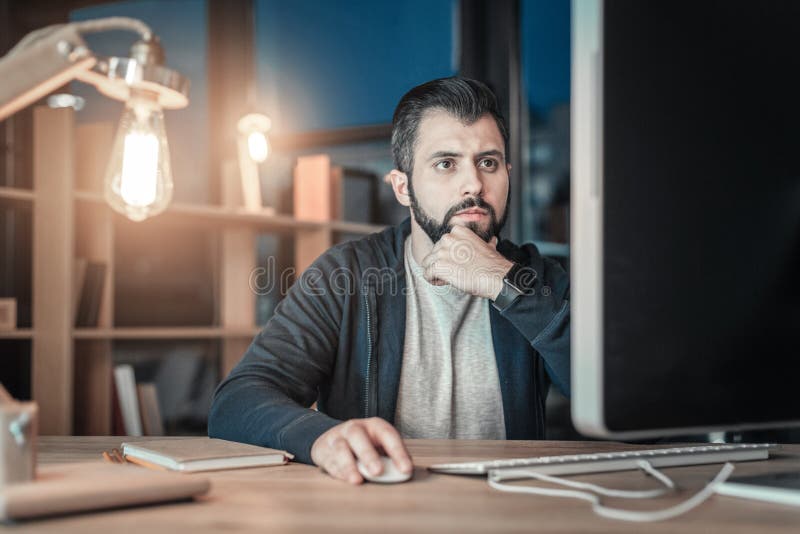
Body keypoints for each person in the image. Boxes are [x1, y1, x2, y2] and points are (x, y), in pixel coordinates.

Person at [208, 77, 570, 484]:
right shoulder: (344, 276)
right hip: (377, 509)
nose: (474, 184)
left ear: (507, 173)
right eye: (446, 163)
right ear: (403, 187)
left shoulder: (538, 278)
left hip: (511, 508)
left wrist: (508, 287)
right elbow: (236, 402)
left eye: (487, 162)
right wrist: (321, 437)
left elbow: (624, 397)